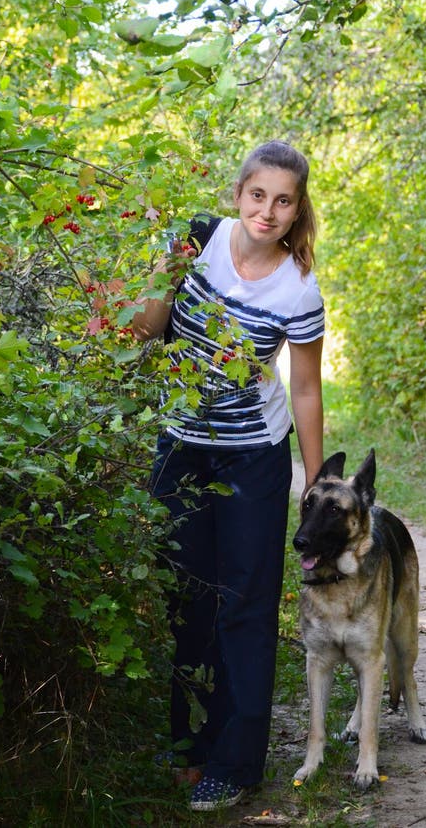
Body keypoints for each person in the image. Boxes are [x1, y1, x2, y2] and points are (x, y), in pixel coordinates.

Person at [132, 140, 324, 812]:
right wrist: (159, 271)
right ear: (238, 193)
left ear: (297, 210)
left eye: (283, 200)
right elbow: (145, 332)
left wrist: (316, 479)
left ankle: (235, 763)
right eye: (258, 195)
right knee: (187, 595)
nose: (268, 210)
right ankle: (188, 745)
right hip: (181, 446)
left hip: (253, 457)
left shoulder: (299, 289)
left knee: (244, 602)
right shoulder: (195, 241)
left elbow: (303, 389)